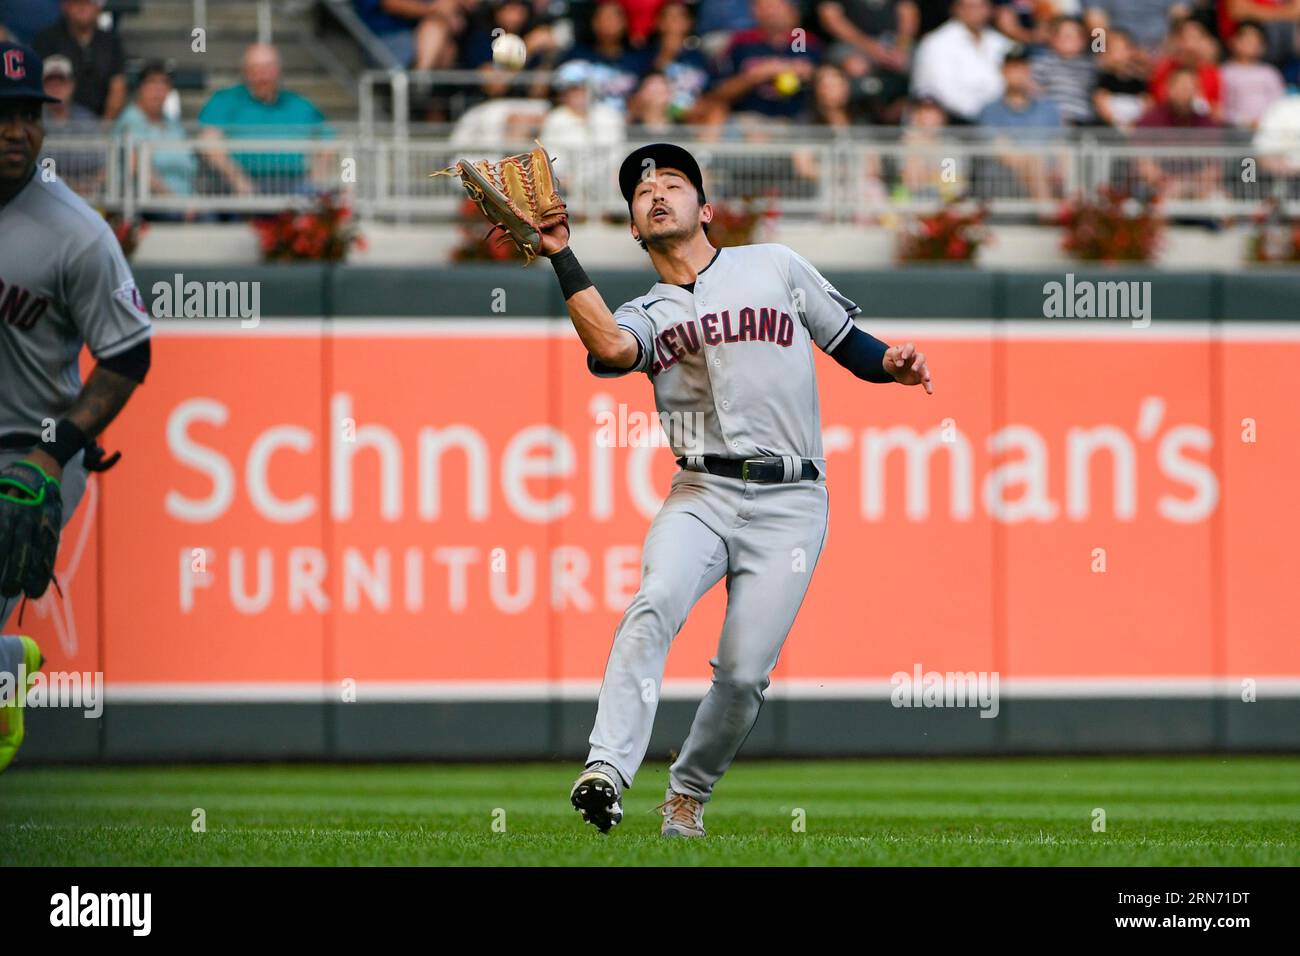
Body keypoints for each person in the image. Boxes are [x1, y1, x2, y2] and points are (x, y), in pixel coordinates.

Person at [543, 142, 931, 836]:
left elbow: (849, 344)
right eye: (641, 191)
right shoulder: (648, 311)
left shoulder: (772, 265)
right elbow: (610, 348)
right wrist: (559, 253)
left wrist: (893, 363)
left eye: (672, 182)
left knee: (745, 673)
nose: (656, 192)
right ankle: (605, 768)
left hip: (793, 503)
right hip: (701, 493)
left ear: (705, 206)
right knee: (654, 600)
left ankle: (687, 791)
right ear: (633, 226)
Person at [0, 42, 152, 769]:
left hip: (24, 454)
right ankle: (6, 658)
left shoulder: (76, 232)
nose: (15, 130)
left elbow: (128, 355)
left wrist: (53, 451)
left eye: (28, 114)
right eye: (2, 114)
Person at [196, 43, 335, 197]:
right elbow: (208, 141)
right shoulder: (223, 100)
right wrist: (237, 179)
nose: (262, 76)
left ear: (278, 70)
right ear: (245, 72)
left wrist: (316, 176)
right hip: (238, 185)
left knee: (321, 198)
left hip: (294, 184)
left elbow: (328, 140)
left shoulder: (300, 104)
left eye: (268, 68)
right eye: (255, 69)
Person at [705, 0, 822, 125]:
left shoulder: (809, 43)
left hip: (800, 122)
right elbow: (716, 94)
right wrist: (752, 77)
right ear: (753, 12)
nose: (770, 12)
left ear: (791, 10)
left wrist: (813, 76)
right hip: (748, 120)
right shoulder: (740, 42)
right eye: (763, 7)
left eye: (776, 6)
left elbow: (832, 87)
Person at [538, 60, 626, 212]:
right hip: (569, 188)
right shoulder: (555, 119)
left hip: (607, 187)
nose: (578, 94)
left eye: (583, 89)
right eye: (572, 90)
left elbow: (617, 156)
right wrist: (569, 183)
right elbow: (552, 160)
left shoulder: (610, 116)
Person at [113, 61, 199, 215]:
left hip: (186, 203)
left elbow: (190, 165)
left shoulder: (173, 125)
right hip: (149, 206)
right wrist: (176, 202)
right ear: (140, 88)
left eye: (163, 85)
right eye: (151, 84)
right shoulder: (130, 121)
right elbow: (137, 168)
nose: (157, 91)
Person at [910, 0, 1013, 122]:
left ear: (990, 10)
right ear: (956, 9)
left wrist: (996, 113)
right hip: (951, 122)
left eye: (981, 6)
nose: (975, 11)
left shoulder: (1001, 43)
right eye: (969, 6)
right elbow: (944, 92)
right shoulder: (936, 42)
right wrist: (984, 115)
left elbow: (1009, 82)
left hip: (997, 120)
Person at [33, 0, 125, 120]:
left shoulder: (111, 42)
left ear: (98, 7)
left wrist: (105, 126)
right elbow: (36, 86)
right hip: (54, 124)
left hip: (101, 124)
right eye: (77, 3)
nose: (83, 8)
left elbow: (118, 86)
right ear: (65, 6)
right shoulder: (46, 40)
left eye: (88, 3)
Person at [1219, 19, 1285, 129]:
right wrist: (1244, 122)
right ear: (1233, 42)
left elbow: (1279, 103)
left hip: (1269, 129)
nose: (1250, 43)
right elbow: (1221, 108)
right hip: (1234, 131)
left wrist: (1266, 122)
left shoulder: (1270, 73)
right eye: (1245, 39)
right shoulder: (1225, 72)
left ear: (1262, 46)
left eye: (1255, 40)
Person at [1029, 16, 1096, 124]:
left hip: (1084, 125)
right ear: (1054, 38)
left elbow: (1101, 40)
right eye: (1065, 35)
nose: (1069, 40)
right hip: (1052, 123)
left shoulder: (1091, 65)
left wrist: (1097, 29)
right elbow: (1031, 90)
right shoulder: (1043, 63)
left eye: (1075, 35)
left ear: (1083, 40)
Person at [1091, 26, 1150, 129]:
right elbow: (1099, 99)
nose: (1117, 54)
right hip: (1111, 127)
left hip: (1134, 125)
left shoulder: (1139, 80)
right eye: (1112, 49)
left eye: (1121, 49)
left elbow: (1147, 102)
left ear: (1131, 51)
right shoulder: (1103, 78)